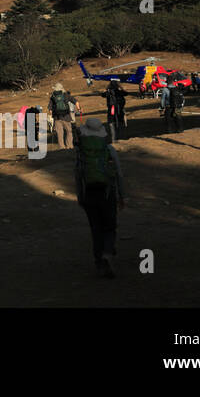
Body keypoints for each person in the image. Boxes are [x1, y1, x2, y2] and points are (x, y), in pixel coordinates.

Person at [74, 116, 126, 278]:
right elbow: (118, 173)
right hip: (107, 192)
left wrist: (80, 197)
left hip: (89, 193)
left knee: (95, 229)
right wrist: (122, 195)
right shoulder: (109, 150)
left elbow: (78, 176)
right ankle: (107, 252)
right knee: (110, 226)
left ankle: (99, 264)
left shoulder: (82, 152)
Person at [49, 82, 76, 149]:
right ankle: (69, 145)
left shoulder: (53, 96)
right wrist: (79, 108)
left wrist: (53, 114)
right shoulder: (66, 95)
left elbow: (50, 109)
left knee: (60, 133)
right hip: (66, 116)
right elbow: (75, 101)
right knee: (69, 131)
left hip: (57, 117)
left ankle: (62, 147)